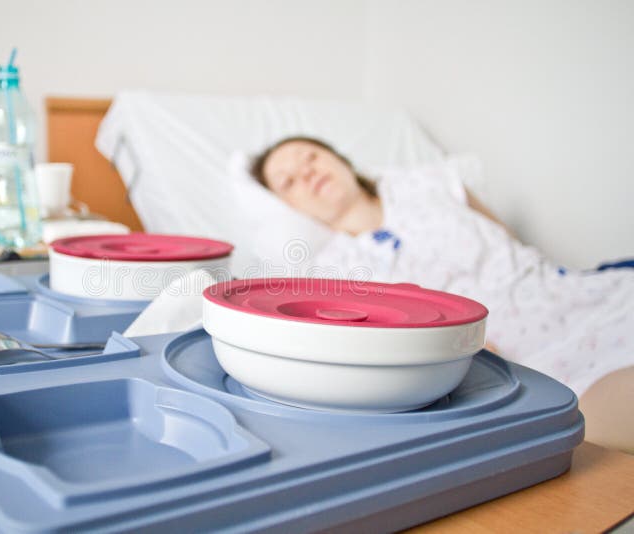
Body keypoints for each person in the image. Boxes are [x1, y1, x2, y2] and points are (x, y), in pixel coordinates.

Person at [251, 136, 634, 452]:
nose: (307, 173)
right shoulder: (331, 275)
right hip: (525, 361)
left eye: (311, 156)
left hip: (575, 294)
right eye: (288, 181)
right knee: (590, 421)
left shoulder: (430, 183)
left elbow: (513, 244)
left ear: (341, 159)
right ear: (289, 207)